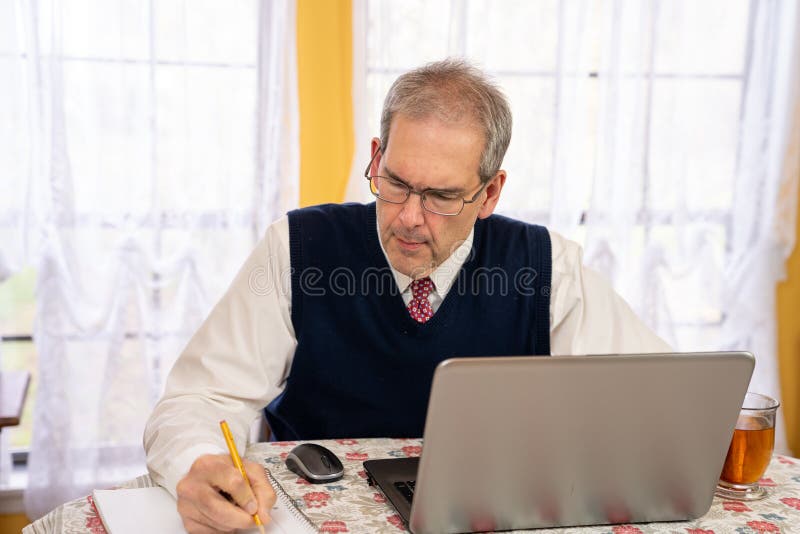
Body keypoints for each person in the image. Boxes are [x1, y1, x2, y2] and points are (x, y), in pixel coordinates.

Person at [144, 58, 670, 532]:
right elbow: (200, 398)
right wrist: (199, 463)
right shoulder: (297, 247)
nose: (409, 218)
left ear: (489, 193)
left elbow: (662, 399)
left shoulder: (549, 265)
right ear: (376, 158)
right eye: (395, 183)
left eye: (441, 196)